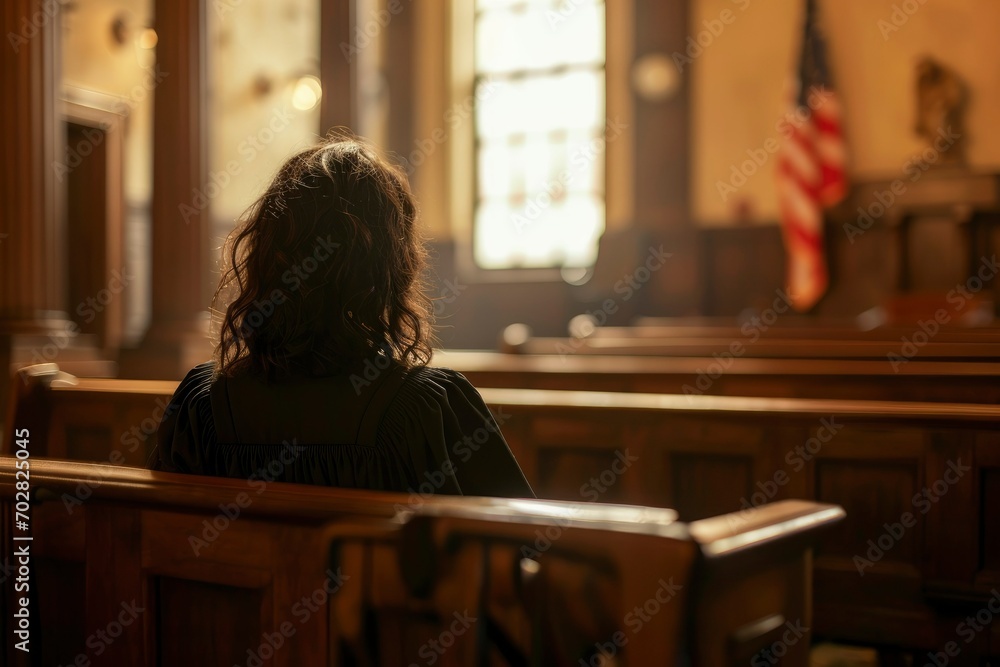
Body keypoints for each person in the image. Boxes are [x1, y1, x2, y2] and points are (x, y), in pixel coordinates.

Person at [153, 136, 533, 498]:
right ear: (389, 268)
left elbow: (160, 537)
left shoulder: (203, 404)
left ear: (264, 256)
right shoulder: (427, 409)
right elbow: (523, 543)